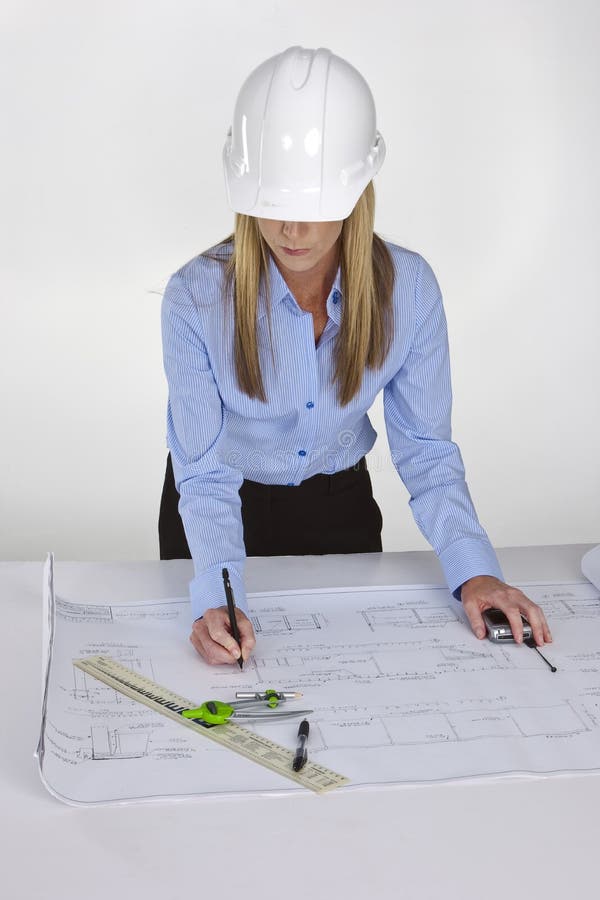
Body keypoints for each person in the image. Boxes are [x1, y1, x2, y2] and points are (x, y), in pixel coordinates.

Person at [160, 46, 552, 666]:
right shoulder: (195, 298)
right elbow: (204, 473)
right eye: (273, 204)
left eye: (312, 208)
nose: (291, 231)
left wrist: (475, 572)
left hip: (338, 511)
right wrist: (217, 594)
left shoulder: (409, 292)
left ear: (357, 189)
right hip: (214, 510)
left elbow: (425, 451)